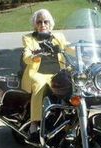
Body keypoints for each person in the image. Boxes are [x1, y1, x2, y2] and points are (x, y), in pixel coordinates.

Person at [21, 9, 69, 140]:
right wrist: (34, 56)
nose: (43, 24)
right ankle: (34, 124)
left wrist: (83, 49)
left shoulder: (59, 37)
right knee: (40, 85)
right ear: (35, 24)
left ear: (50, 23)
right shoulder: (29, 38)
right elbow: (26, 55)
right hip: (38, 73)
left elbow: (68, 47)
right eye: (39, 22)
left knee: (75, 86)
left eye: (45, 21)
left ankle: (68, 120)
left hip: (58, 72)